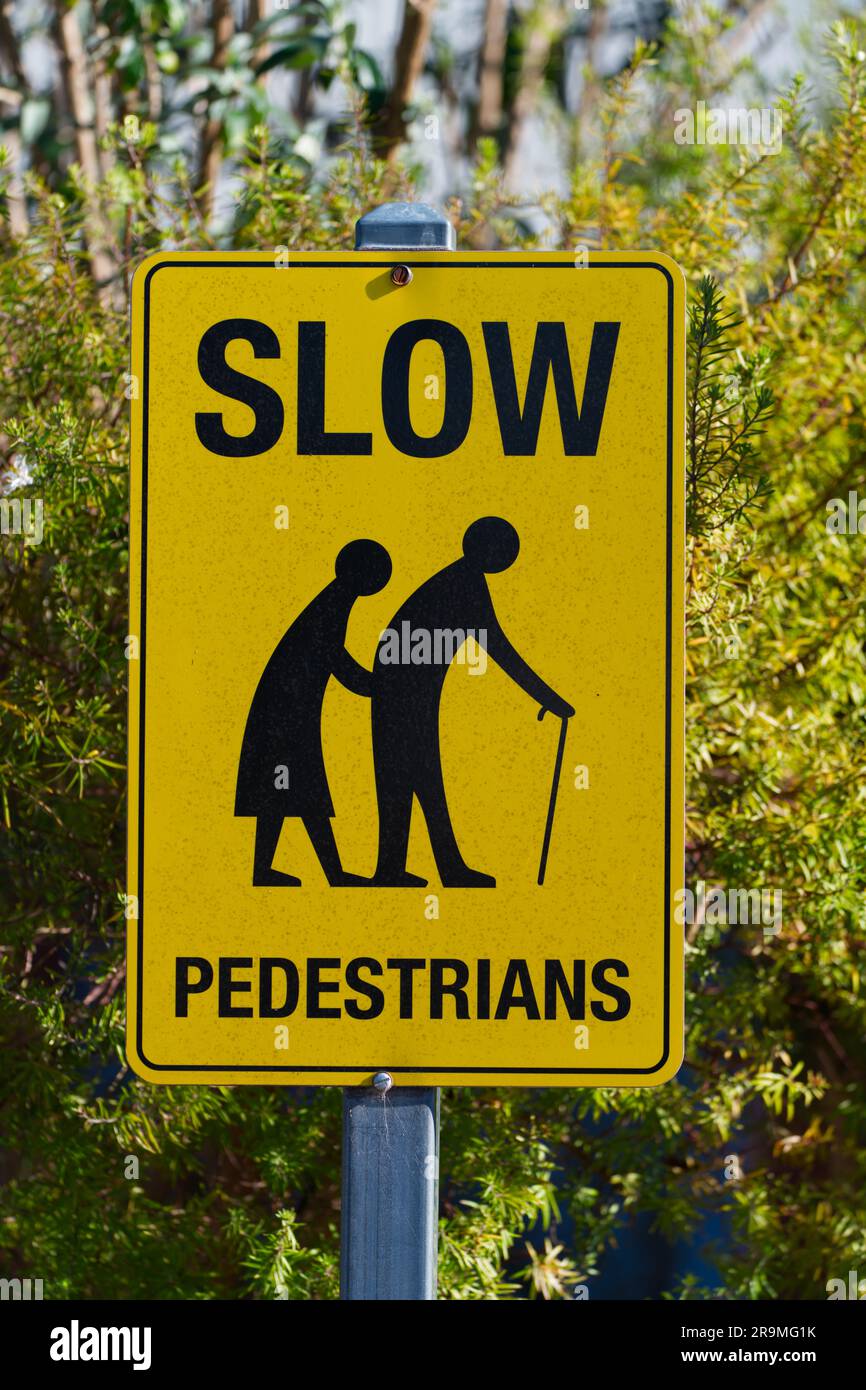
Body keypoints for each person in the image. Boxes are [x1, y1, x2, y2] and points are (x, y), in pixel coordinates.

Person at [370, 516, 574, 888]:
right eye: (503, 550)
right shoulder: (464, 586)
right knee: (412, 780)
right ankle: (419, 869)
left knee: (417, 781)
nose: (506, 558)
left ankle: (416, 868)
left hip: (405, 692)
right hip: (403, 693)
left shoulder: (460, 580)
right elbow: (501, 651)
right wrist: (551, 700)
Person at [235, 539, 391, 885]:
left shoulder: (335, 598)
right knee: (296, 788)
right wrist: (379, 686)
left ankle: (280, 872)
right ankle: (327, 874)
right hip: (288, 707)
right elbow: (335, 658)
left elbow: (332, 657)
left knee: (288, 790)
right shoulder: (335, 603)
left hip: (290, 705)